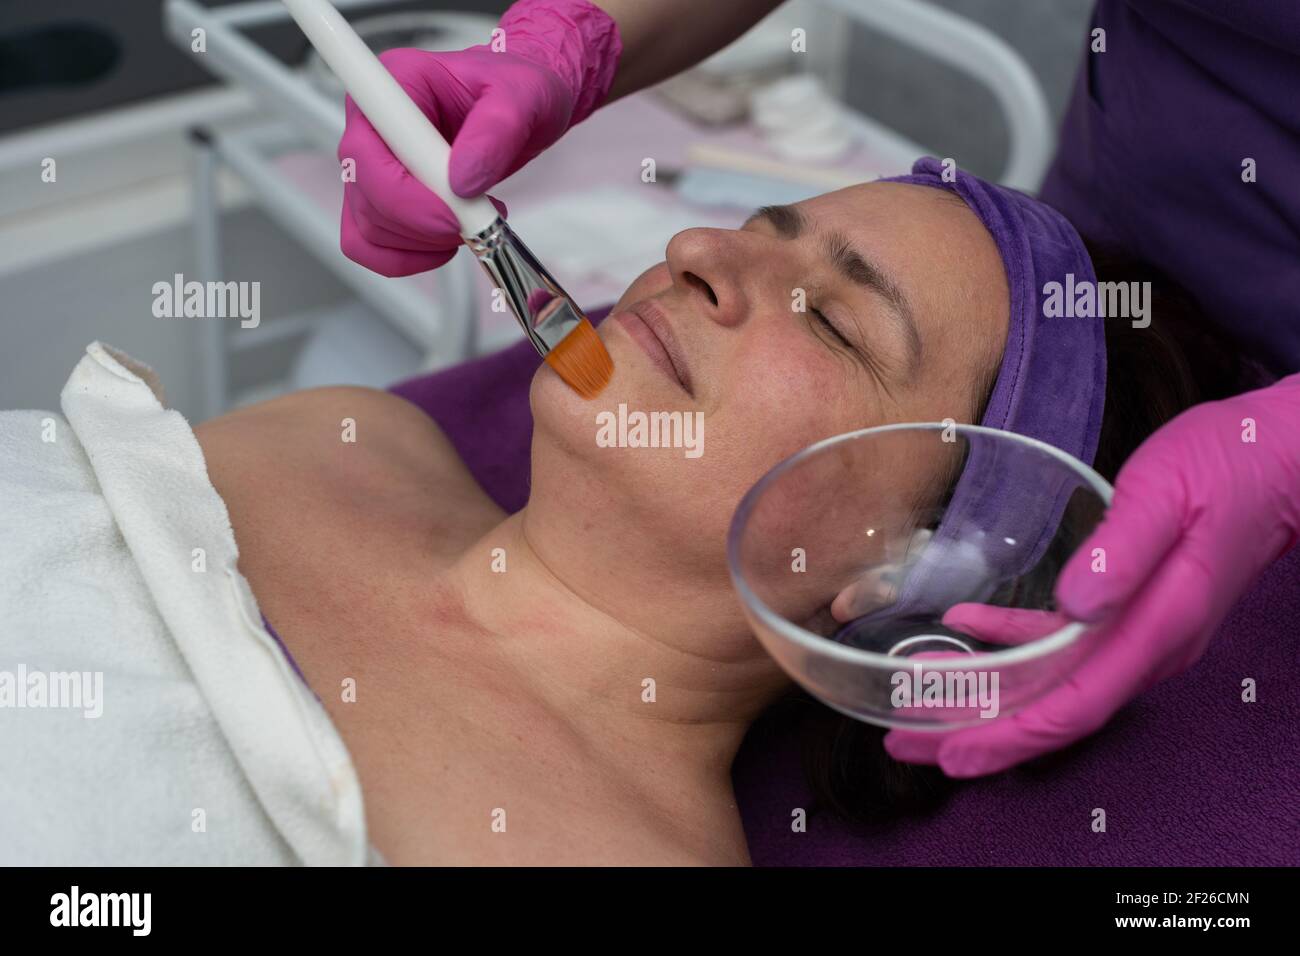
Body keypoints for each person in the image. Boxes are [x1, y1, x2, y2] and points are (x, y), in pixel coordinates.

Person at [337, 0, 1300, 779]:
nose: (692, 250)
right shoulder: (348, 448)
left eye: (833, 321)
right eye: (756, 227)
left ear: (910, 576)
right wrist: (581, 34)